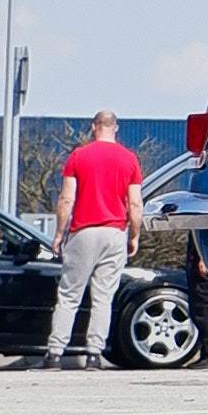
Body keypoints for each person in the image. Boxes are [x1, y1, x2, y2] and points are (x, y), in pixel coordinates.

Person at [47, 112, 141, 364]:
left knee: (69, 294)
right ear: (116, 128)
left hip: (84, 230)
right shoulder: (129, 159)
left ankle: (55, 352)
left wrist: (59, 233)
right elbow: (135, 203)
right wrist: (134, 234)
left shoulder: (78, 156)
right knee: (103, 297)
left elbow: (67, 198)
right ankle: (94, 354)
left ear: (93, 127)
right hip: (115, 232)